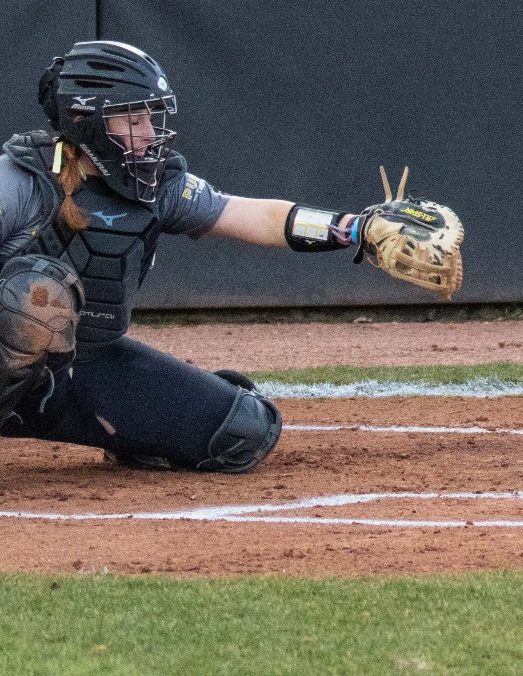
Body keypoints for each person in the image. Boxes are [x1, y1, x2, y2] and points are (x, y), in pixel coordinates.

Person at [0, 41, 462, 470]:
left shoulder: (157, 187)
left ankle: (131, 434)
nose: (148, 132)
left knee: (241, 432)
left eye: (149, 117)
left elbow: (246, 215)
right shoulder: (20, 181)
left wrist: (354, 228)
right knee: (36, 294)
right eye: (132, 119)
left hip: (83, 367)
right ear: (87, 120)